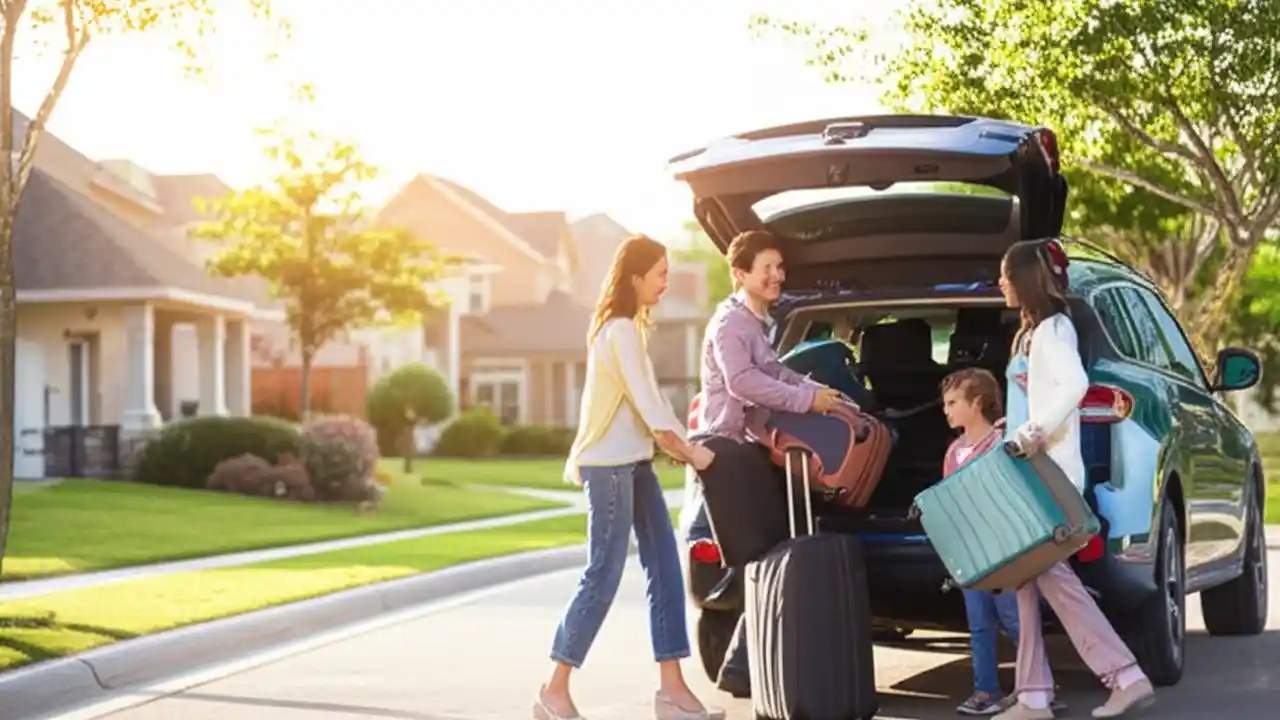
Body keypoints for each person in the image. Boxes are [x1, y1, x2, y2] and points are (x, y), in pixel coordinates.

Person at [537, 235, 724, 720]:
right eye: (660, 273)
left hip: (635, 464)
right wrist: (691, 453)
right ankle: (553, 689)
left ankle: (672, 690)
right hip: (610, 468)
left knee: (665, 567)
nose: (666, 282)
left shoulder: (630, 330)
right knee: (602, 575)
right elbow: (649, 406)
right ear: (635, 277)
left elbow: (656, 406)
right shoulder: (617, 330)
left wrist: (688, 442)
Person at [993, 239, 1155, 720]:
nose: (999, 282)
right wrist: (1014, 426)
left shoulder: (1053, 330)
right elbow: (1036, 395)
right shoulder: (1032, 333)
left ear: (1023, 278)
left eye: (1004, 274)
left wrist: (1034, 430)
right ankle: (1034, 696)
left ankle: (1125, 676)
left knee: (1053, 580)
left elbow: (1075, 386)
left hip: (1049, 475)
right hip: (1029, 472)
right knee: (1026, 579)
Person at [685, 229, 843, 697]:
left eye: (779, 266)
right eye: (767, 268)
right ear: (740, 274)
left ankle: (742, 665)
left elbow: (773, 372)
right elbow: (742, 384)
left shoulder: (758, 321)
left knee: (765, 557)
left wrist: (819, 393)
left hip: (745, 449)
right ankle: (738, 666)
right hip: (724, 451)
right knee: (758, 557)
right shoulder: (731, 325)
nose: (777, 275)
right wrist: (805, 401)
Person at [941, 368, 1022, 716]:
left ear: (976, 403)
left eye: (953, 402)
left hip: (1001, 549)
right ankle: (985, 689)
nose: (946, 410)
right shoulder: (954, 451)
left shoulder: (1002, 443)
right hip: (970, 552)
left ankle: (1035, 684)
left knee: (1015, 619)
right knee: (979, 623)